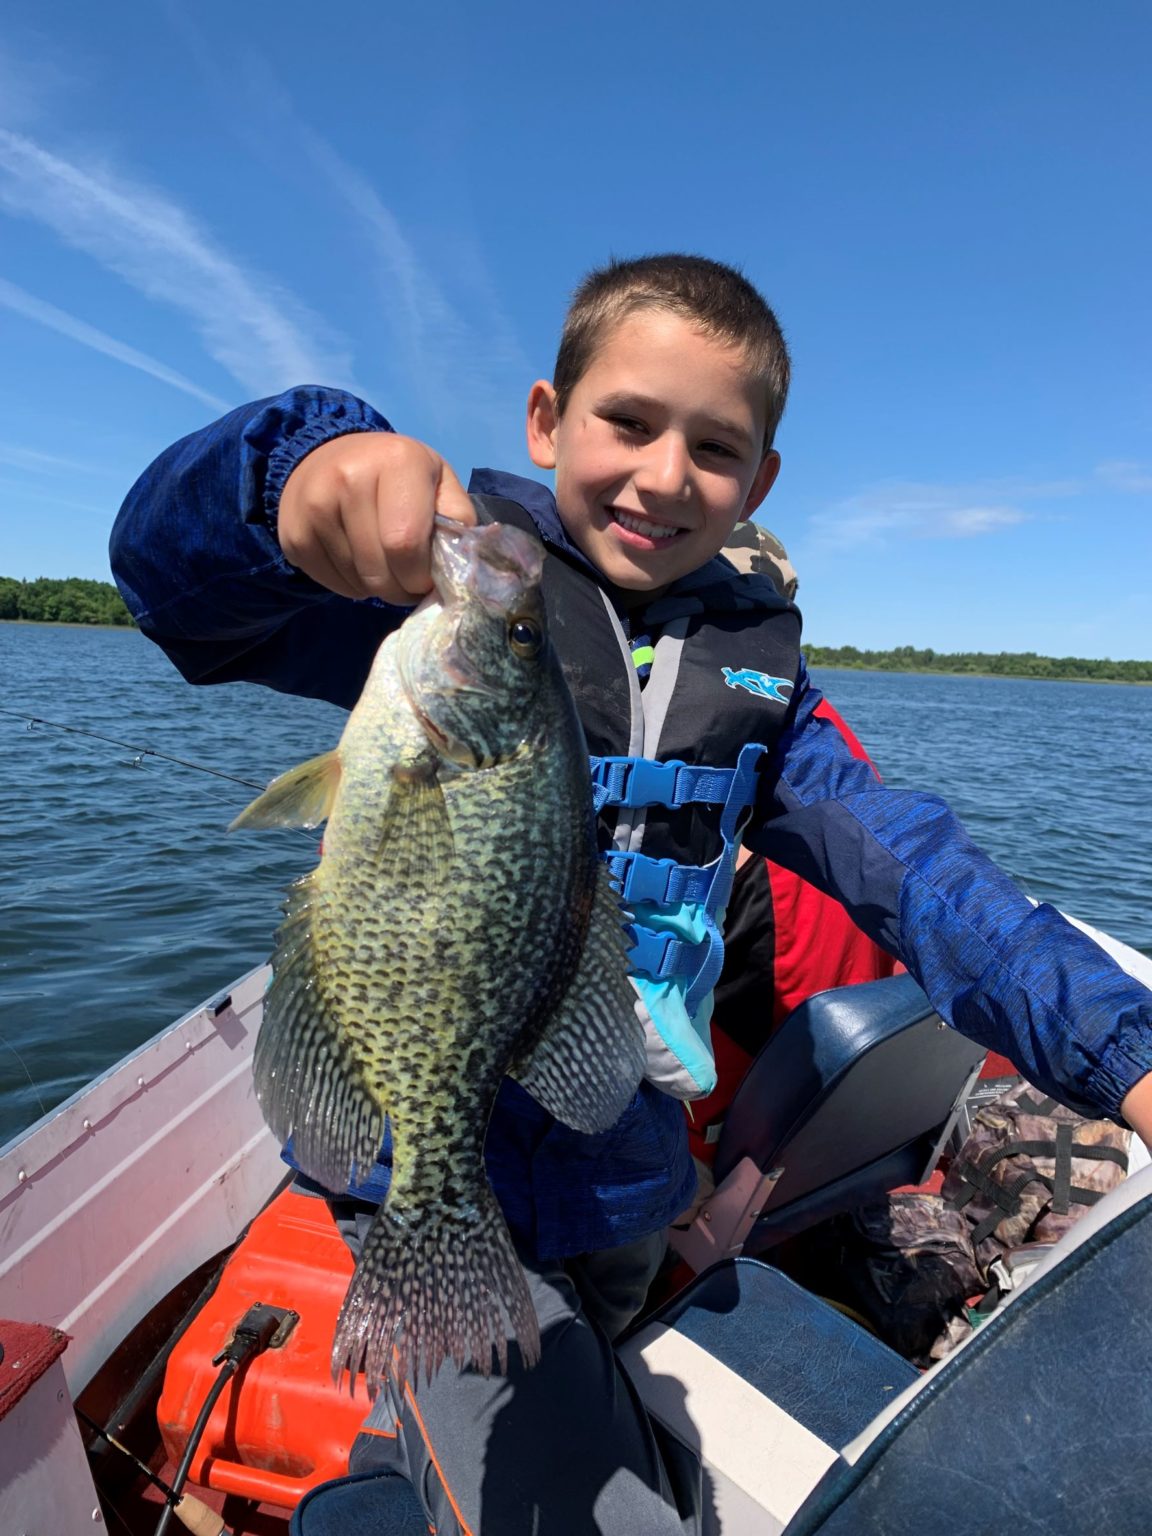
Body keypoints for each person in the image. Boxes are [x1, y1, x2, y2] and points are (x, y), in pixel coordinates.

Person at [111, 254, 1152, 1535]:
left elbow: (928, 879)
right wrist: (293, 475)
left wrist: (1125, 1053)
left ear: (759, 482)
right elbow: (175, 593)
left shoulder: (767, 693)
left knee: (511, 1416)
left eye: (715, 448)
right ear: (547, 421)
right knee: (507, 1463)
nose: (665, 475)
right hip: (446, 1174)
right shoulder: (432, 610)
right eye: (628, 422)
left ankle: (405, 1468)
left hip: (630, 1173)